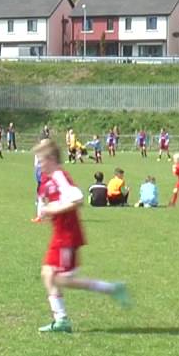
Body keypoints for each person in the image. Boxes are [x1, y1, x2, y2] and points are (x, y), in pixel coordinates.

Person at [33, 139, 130, 333]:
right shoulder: (48, 179)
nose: (39, 165)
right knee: (47, 273)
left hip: (67, 236)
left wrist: (53, 209)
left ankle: (112, 289)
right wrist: (46, 211)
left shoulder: (60, 176)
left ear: (51, 159)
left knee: (59, 279)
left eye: (41, 160)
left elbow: (77, 199)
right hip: (59, 235)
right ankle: (61, 319)